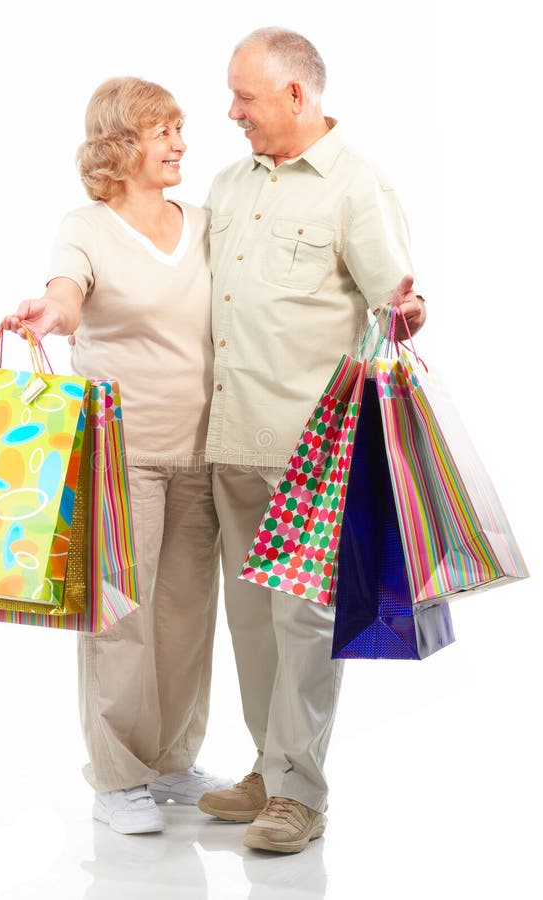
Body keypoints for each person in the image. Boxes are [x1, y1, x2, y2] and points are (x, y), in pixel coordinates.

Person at [197, 28, 426, 854]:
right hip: (230, 438)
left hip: (311, 451)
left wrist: (408, 311)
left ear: (295, 94)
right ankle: (267, 769)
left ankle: (299, 793)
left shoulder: (355, 185)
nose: (232, 112)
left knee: (304, 624)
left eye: (244, 97)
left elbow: (397, 298)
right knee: (251, 622)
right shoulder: (228, 183)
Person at [4, 76, 230, 836]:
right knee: (118, 619)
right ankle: (117, 776)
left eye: (179, 129)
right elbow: (67, 293)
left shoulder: (206, 223)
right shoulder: (87, 227)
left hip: (204, 447)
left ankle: (171, 759)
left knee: (186, 616)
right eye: (163, 131)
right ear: (119, 144)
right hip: (120, 452)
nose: (180, 144)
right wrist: (51, 312)